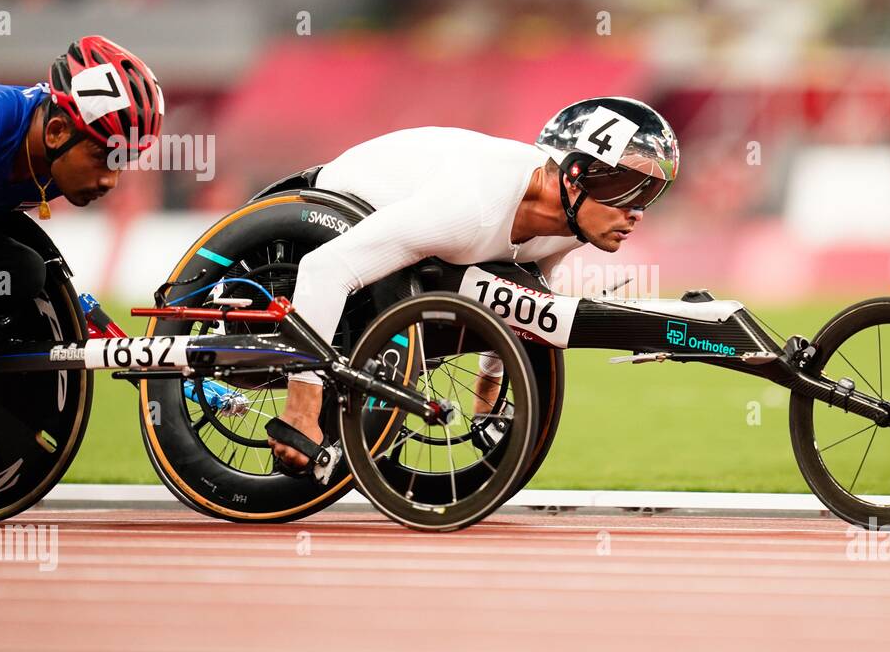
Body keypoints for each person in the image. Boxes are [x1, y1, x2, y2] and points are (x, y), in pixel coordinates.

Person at [268, 96, 680, 474]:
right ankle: (304, 409)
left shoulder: (570, 225)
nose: (638, 212)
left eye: (649, 195)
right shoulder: (470, 209)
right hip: (339, 202)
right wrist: (303, 409)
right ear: (574, 178)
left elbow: (520, 310)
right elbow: (323, 269)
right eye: (626, 190)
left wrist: (486, 404)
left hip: (427, 224)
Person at [0, 35, 163, 320]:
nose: (110, 181)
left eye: (120, 162)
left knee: (23, 271)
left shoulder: (58, 152)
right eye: (102, 158)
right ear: (56, 133)